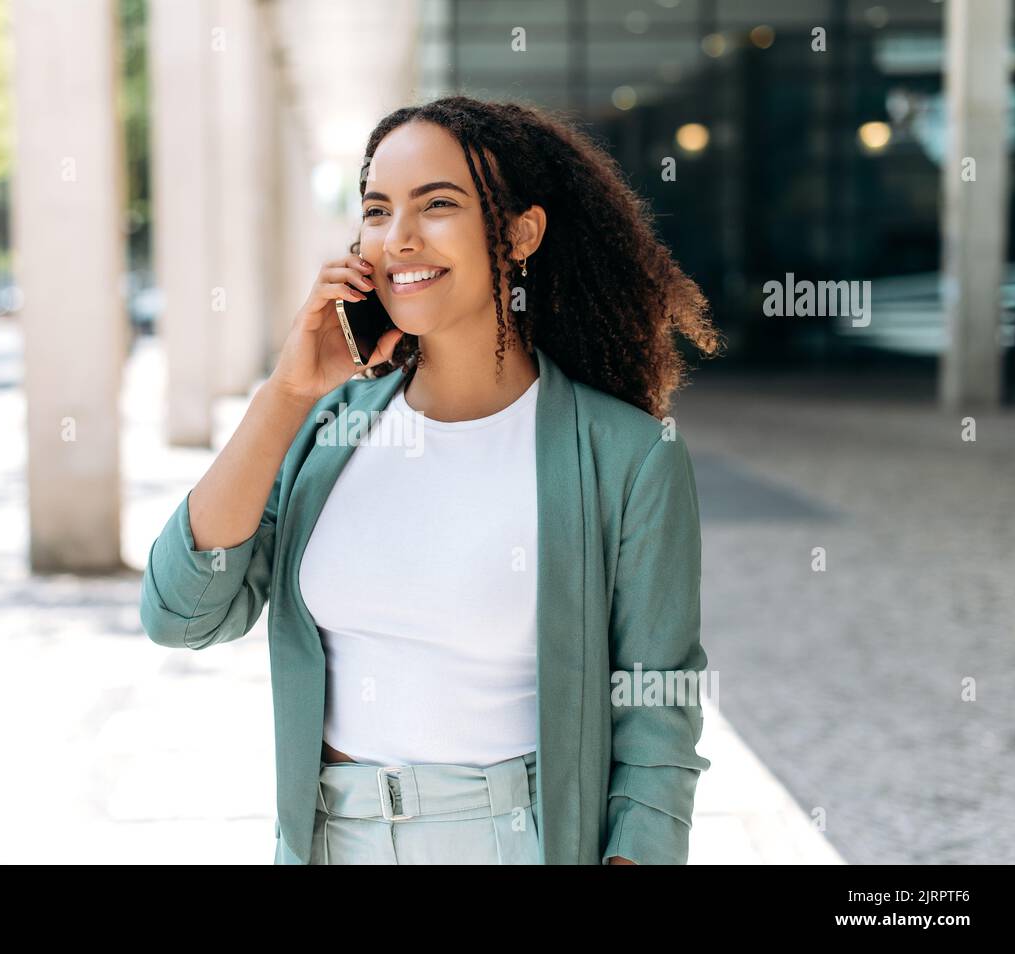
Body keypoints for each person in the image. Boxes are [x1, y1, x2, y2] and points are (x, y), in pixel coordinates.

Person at [140, 95, 724, 864]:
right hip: (327, 841)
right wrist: (286, 395)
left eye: (437, 204)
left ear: (521, 233)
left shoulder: (626, 457)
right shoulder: (326, 429)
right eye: (377, 211)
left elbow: (658, 714)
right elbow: (182, 613)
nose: (399, 238)